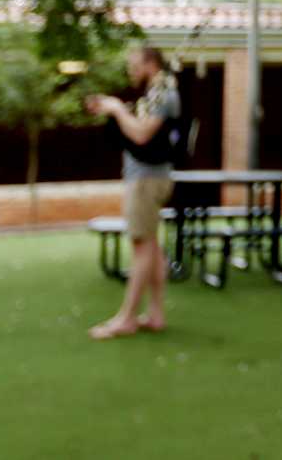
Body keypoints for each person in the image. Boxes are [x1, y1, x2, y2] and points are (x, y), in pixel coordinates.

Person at [85, 45, 180, 340]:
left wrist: (115, 108)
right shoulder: (155, 93)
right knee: (150, 246)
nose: (130, 68)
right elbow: (139, 126)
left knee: (141, 247)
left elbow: (141, 134)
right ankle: (155, 314)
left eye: (134, 63)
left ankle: (126, 318)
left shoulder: (164, 93)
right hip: (149, 178)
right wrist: (113, 109)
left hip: (147, 181)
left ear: (150, 63)